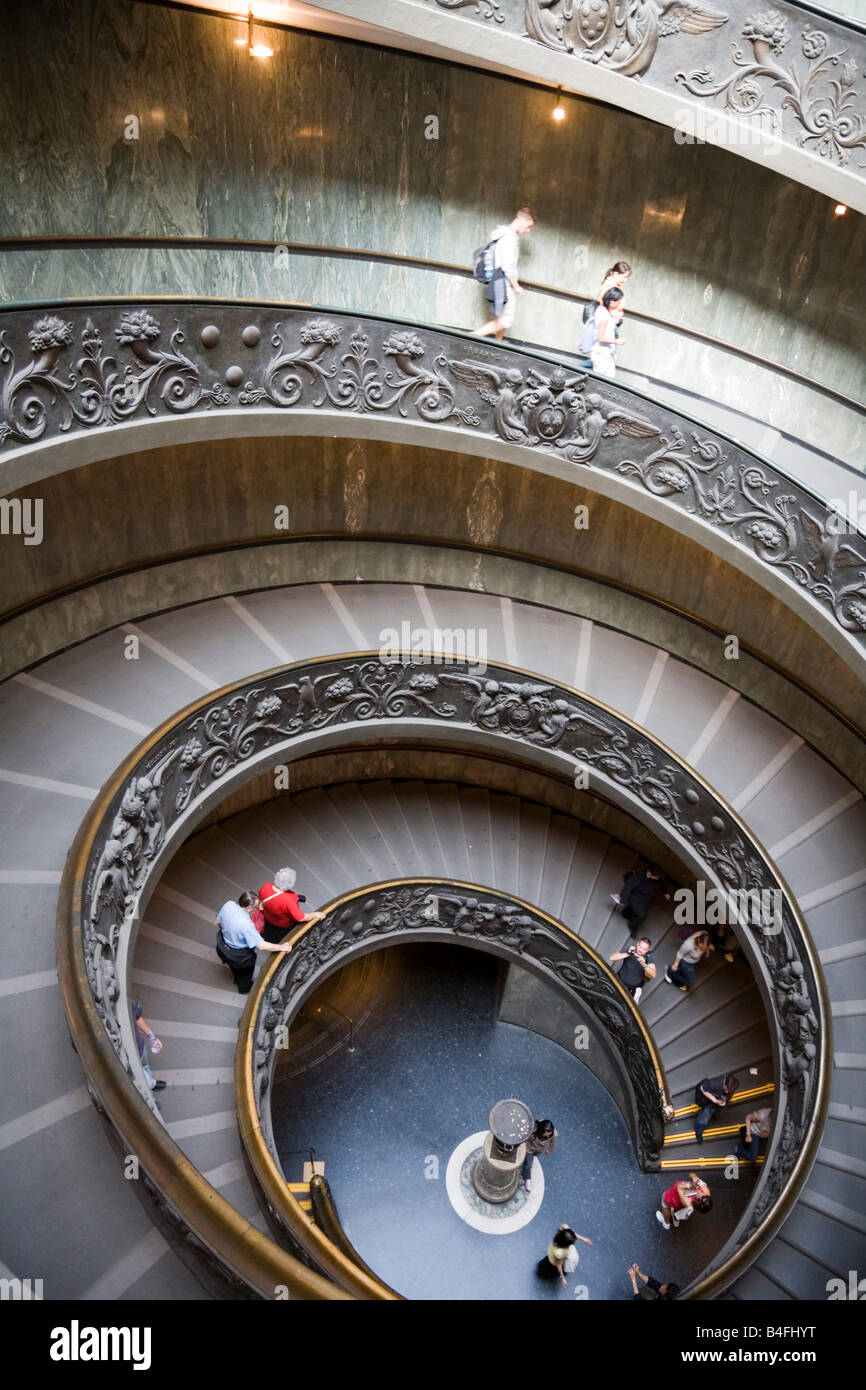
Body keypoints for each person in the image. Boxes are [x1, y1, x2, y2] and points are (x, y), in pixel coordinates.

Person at [474, 207, 535, 340]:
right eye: (529, 226)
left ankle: (498, 343)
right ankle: (469, 337)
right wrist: (516, 286)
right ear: (521, 220)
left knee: (503, 318)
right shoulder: (509, 238)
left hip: (499, 281)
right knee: (506, 319)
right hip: (504, 282)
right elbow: (507, 267)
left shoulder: (503, 235)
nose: (528, 230)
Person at [216, 890, 294, 993]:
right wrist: (282, 947)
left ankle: (237, 978)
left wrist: (229, 932)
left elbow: (218, 922)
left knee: (234, 968)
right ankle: (244, 988)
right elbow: (261, 946)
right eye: (256, 906)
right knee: (245, 974)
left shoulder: (229, 904)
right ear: (248, 908)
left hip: (222, 947)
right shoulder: (246, 925)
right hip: (239, 956)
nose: (258, 908)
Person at [258, 867, 325, 943]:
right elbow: (301, 917)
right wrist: (316, 914)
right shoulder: (289, 900)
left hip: (269, 918)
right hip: (284, 925)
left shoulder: (266, 887)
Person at [611, 862, 670, 933]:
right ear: (649, 873)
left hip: (645, 898)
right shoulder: (638, 876)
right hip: (636, 898)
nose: (658, 878)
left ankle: (626, 913)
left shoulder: (657, 876)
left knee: (633, 909)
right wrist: (623, 900)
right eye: (656, 877)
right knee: (642, 915)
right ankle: (632, 925)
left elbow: (661, 883)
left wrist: (665, 892)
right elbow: (628, 887)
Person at [536, 1225, 592, 1290]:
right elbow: (558, 1264)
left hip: (550, 1255)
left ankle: (542, 1273)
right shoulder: (559, 1252)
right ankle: (543, 1275)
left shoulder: (563, 1229)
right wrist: (563, 1278)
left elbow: (573, 1235)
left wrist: (583, 1239)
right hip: (553, 1263)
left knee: (544, 1266)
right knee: (550, 1270)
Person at [693, 1072, 739, 1144]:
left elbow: (727, 1095)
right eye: (726, 1089)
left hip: (718, 1099)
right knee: (704, 1118)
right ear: (724, 1083)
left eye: (729, 1091)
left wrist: (724, 1102)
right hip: (707, 1100)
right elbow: (702, 1087)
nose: (726, 1092)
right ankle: (698, 1131)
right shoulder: (714, 1084)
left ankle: (715, 1113)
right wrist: (714, 1100)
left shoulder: (730, 1087)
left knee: (718, 1109)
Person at [590, 287, 626, 378]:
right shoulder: (604, 315)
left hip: (604, 354)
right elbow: (600, 337)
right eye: (618, 301)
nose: (618, 305)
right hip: (602, 355)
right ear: (611, 300)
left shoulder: (602, 311)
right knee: (602, 382)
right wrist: (617, 341)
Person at [131, 1000, 166, 1093]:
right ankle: (150, 1086)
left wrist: (152, 1037)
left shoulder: (129, 1004)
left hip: (140, 1047)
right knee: (143, 1081)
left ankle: (151, 1082)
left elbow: (137, 1018)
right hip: (130, 1057)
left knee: (144, 1065)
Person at [610, 937, 656, 1002]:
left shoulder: (649, 957)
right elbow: (612, 958)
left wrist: (644, 965)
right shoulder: (631, 950)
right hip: (619, 980)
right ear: (637, 944)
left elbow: (653, 974)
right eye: (640, 947)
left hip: (633, 989)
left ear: (648, 950)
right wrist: (628, 954)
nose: (640, 950)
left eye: (644, 949)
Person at [522, 1118, 556, 1193]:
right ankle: (528, 1178)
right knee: (528, 1164)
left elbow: (552, 1141)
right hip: (529, 1148)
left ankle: (526, 1160)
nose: (548, 1136)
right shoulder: (533, 1130)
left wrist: (550, 1150)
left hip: (539, 1150)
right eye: (546, 1134)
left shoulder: (553, 1134)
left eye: (549, 1134)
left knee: (531, 1158)